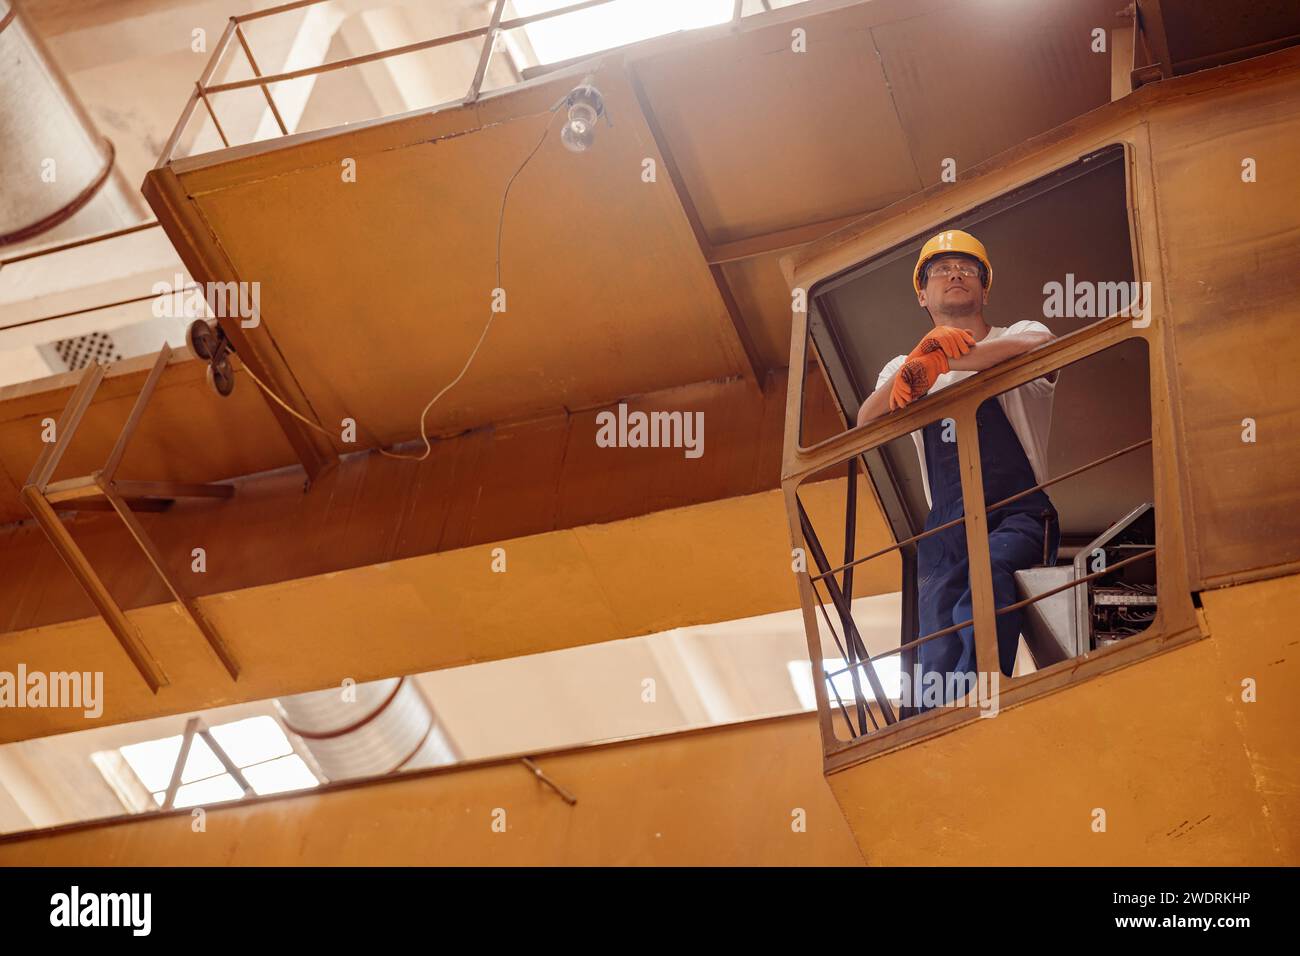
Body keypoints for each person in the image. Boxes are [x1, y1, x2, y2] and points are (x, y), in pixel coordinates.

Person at [856, 229, 1060, 708]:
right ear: (922, 294)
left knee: (990, 574)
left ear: (984, 289)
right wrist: (921, 363)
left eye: (967, 269)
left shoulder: (1018, 334)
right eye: (940, 270)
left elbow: (1044, 345)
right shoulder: (900, 368)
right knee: (937, 631)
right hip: (946, 527)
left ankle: (978, 701)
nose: (954, 274)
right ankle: (935, 725)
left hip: (1018, 513)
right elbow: (868, 420)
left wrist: (947, 356)